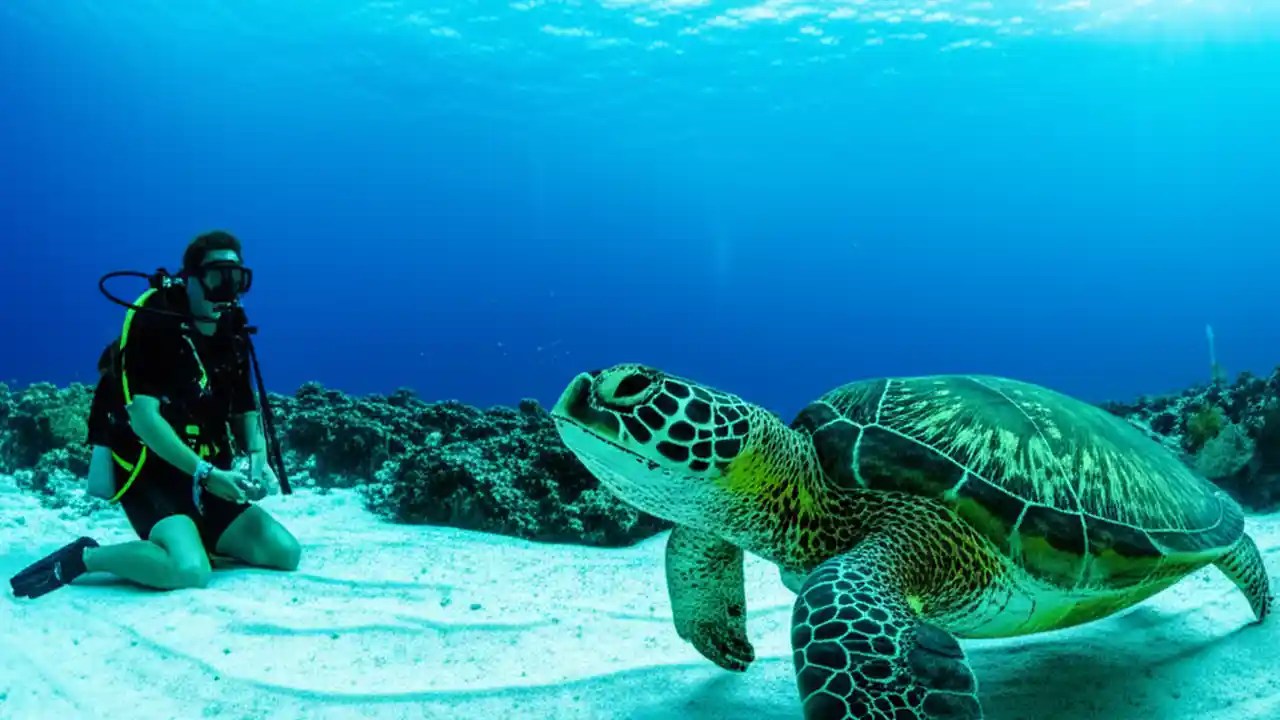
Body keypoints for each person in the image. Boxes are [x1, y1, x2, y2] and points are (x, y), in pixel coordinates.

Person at [9, 231, 301, 599]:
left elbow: (245, 410)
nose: (227, 290)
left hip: (208, 471)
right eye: (216, 277)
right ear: (190, 278)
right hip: (152, 469)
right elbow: (144, 419)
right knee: (189, 570)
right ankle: (85, 557)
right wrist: (205, 474)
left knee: (284, 552)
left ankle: (197, 537)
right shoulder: (153, 320)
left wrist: (258, 463)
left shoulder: (233, 332)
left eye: (236, 279)